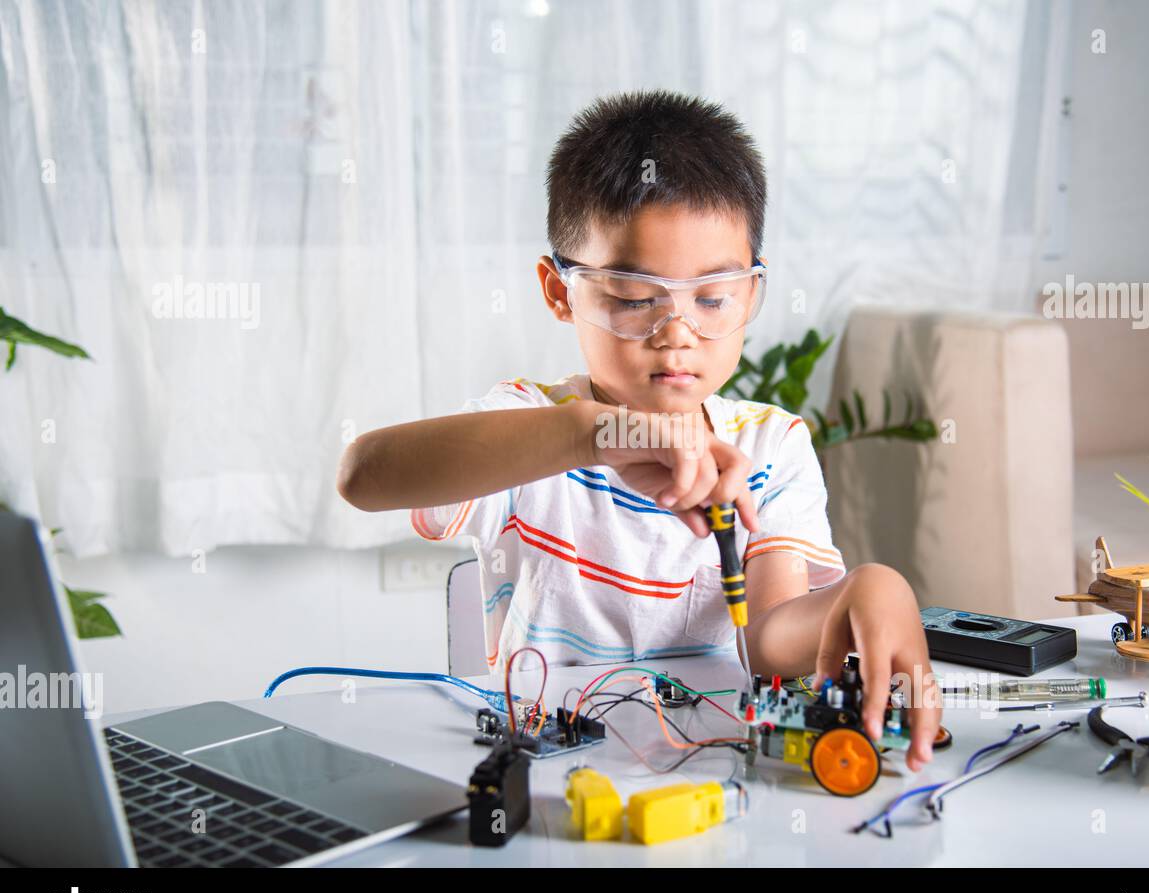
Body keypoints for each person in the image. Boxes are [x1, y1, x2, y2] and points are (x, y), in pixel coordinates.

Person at [337, 90, 939, 770]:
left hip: (715, 779)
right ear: (560, 291)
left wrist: (865, 590)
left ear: (750, 292)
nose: (677, 333)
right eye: (633, 300)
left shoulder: (771, 446)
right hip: (555, 776)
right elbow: (363, 474)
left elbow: (770, 636)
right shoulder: (534, 431)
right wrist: (594, 436)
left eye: (712, 297)